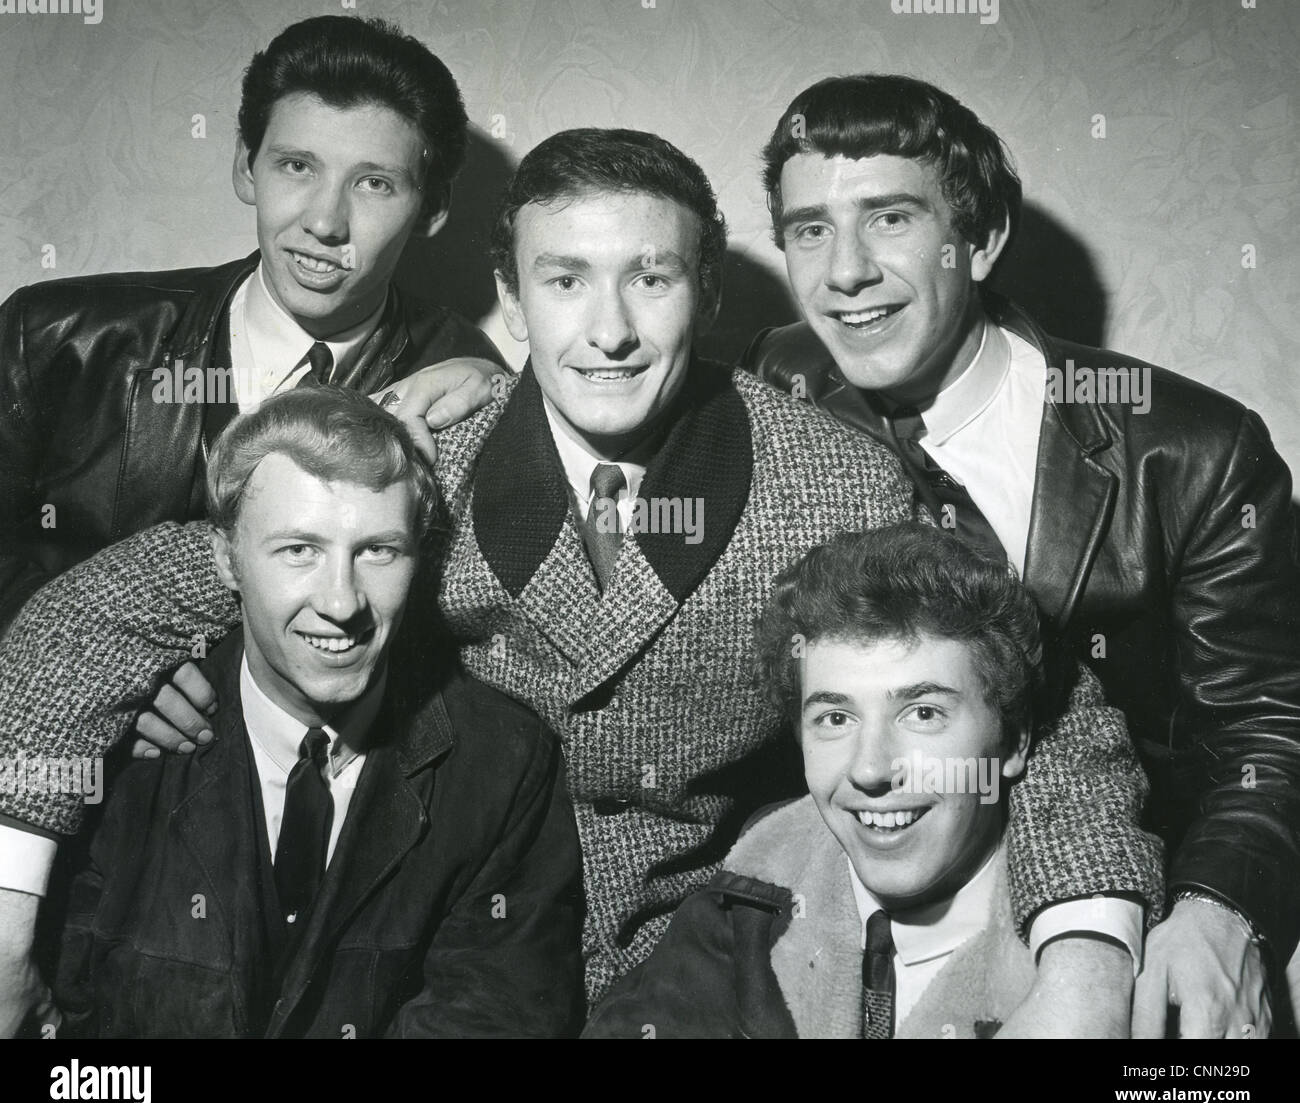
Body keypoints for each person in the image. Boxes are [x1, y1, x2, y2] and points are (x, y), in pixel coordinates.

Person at [0, 129, 1161, 1029]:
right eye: (565, 281)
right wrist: (9, 913)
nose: (606, 331)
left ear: (707, 296)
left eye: (649, 280)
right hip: (439, 967)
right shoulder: (417, 467)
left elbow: (1043, 703)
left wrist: (1087, 963)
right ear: (509, 303)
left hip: (712, 974)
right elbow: (99, 612)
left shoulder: (835, 481)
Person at [739, 73, 1300, 1037]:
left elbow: (1271, 729)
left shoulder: (1193, 450)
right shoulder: (773, 386)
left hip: (1128, 895)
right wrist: (470, 373)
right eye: (809, 230)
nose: (845, 273)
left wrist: (1220, 908)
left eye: (890, 218)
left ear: (982, 239)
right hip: (862, 908)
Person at [47, 385, 582, 1038]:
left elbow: (495, 1018)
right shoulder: (113, 738)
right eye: (299, 549)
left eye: (377, 550)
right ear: (226, 557)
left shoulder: (503, 766)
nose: (341, 601)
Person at [0, 12, 503, 634]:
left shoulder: (465, 377)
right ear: (246, 167)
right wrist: (91, 656)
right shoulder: (57, 338)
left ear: (429, 210)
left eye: (373, 183)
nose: (325, 222)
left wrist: (515, 400)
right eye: (297, 166)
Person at [586, 524, 1160, 1038]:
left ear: (1013, 741)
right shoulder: (747, 902)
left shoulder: (1125, 957)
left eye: (923, 713)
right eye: (835, 719)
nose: (870, 770)